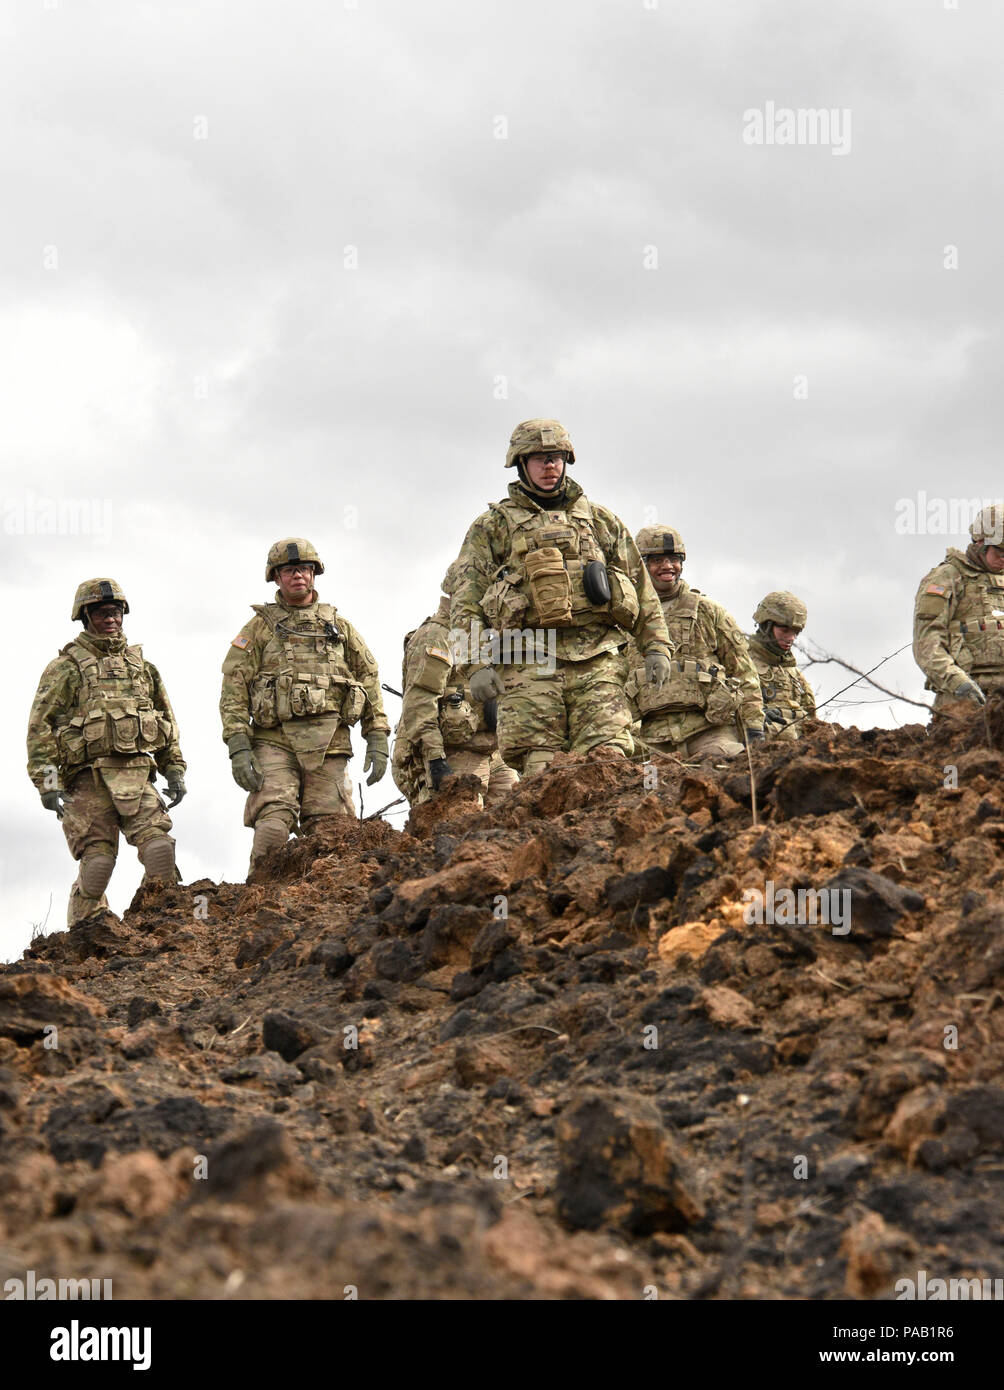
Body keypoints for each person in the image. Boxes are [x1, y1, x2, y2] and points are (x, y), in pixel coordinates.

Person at [450, 419, 672, 775]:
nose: (550, 465)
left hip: (597, 658)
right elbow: (466, 600)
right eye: (539, 458)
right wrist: (474, 664)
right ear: (521, 463)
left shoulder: (600, 521)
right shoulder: (491, 527)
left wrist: (657, 646)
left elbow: (640, 587)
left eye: (555, 456)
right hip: (528, 662)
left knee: (609, 762)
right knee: (543, 772)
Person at [220, 538, 389, 869]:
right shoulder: (258, 629)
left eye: (305, 569)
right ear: (276, 577)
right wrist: (238, 746)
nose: (298, 576)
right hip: (274, 740)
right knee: (272, 823)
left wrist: (378, 735)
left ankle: (330, 909)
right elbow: (233, 686)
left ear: (314, 574)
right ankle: (259, 897)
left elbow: (368, 676)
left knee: (334, 833)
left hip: (330, 742)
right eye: (289, 570)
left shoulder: (339, 627)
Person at [27, 579, 186, 925]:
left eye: (115, 612)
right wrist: (47, 782)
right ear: (85, 617)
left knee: (160, 850)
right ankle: (87, 931)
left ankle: (158, 923)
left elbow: (165, 719)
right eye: (101, 613)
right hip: (87, 781)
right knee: (98, 864)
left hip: (137, 775)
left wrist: (174, 768)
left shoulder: (142, 667)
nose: (111, 619)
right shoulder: (65, 668)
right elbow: (40, 727)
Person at [392, 562, 519, 808]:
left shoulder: (487, 636)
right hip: (448, 753)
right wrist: (436, 761)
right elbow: (419, 702)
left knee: (518, 812)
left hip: (491, 752)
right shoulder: (437, 635)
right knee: (459, 826)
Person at [630, 525, 764, 758]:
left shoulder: (708, 612)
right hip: (649, 738)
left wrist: (753, 729)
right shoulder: (627, 616)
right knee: (643, 786)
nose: (667, 566)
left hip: (709, 731)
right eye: (657, 560)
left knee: (722, 770)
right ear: (641, 564)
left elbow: (744, 674)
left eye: (674, 559)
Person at [913, 503, 1004, 711]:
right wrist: (958, 683)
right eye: (1000, 551)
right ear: (981, 542)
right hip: (965, 701)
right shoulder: (948, 577)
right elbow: (926, 643)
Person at [748, 591, 816, 740]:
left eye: (796, 632)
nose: (791, 638)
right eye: (784, 630)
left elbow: (812, 718)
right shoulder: (742, 662)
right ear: (767, 625)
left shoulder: (793, 672)